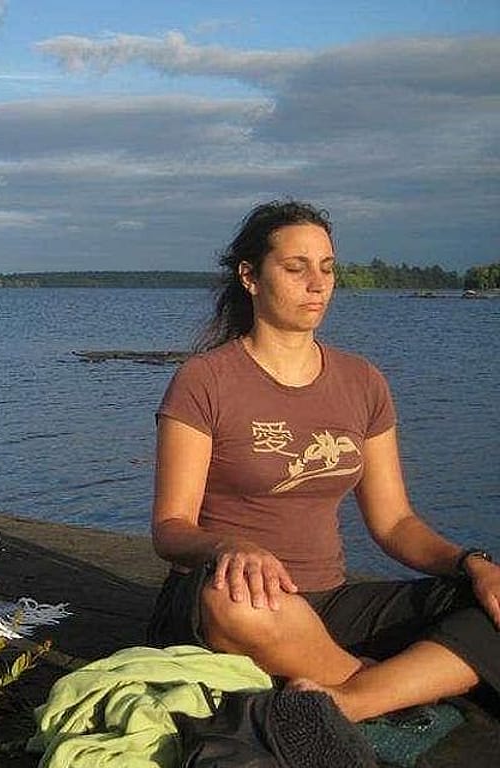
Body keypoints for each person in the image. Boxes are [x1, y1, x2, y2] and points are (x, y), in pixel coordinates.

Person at [146, 200, 499, 722]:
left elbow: (394, 523)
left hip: (329, 604)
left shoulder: (362, 382)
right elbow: (170, 528)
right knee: (236, 605)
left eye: (327, 268)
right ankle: (394, 688)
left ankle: (352, 699)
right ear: (250, 277)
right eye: (296, 268)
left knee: (489, 601)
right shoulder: (205, 381)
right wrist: (230, 546)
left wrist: (473, 564)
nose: (317, 284)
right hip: (233, 601)